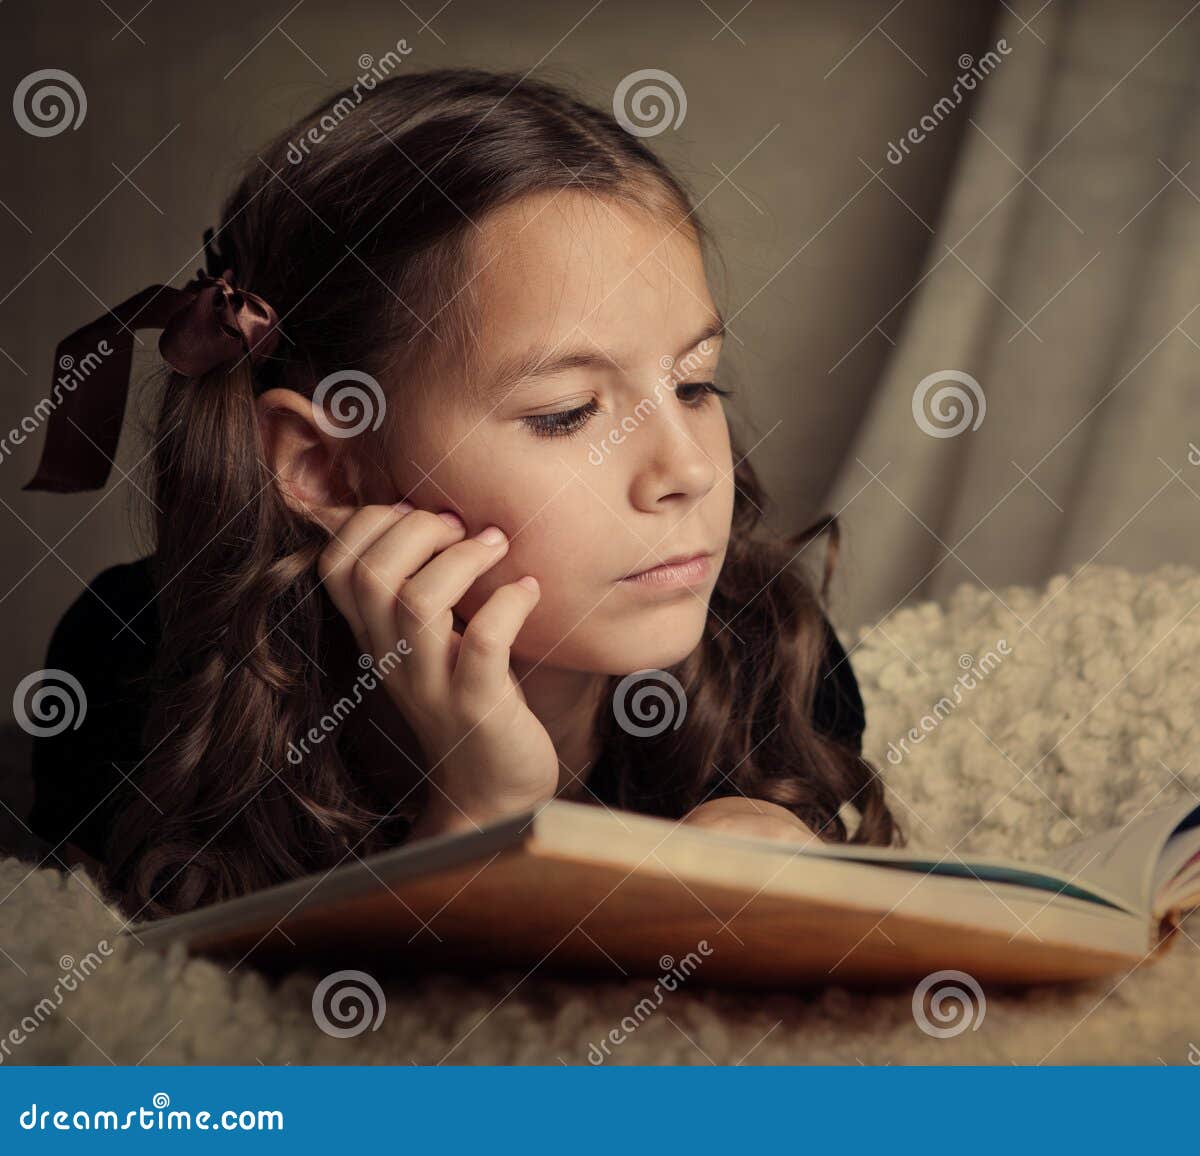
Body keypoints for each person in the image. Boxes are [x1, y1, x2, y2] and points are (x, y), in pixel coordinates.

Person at [23, 68, 900, 921]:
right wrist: (480, 818)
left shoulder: (770, 653)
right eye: (566, 413)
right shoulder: (135, 667)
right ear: (326, 466)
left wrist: (773, 840)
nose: (692, 470)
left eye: (696, 384)